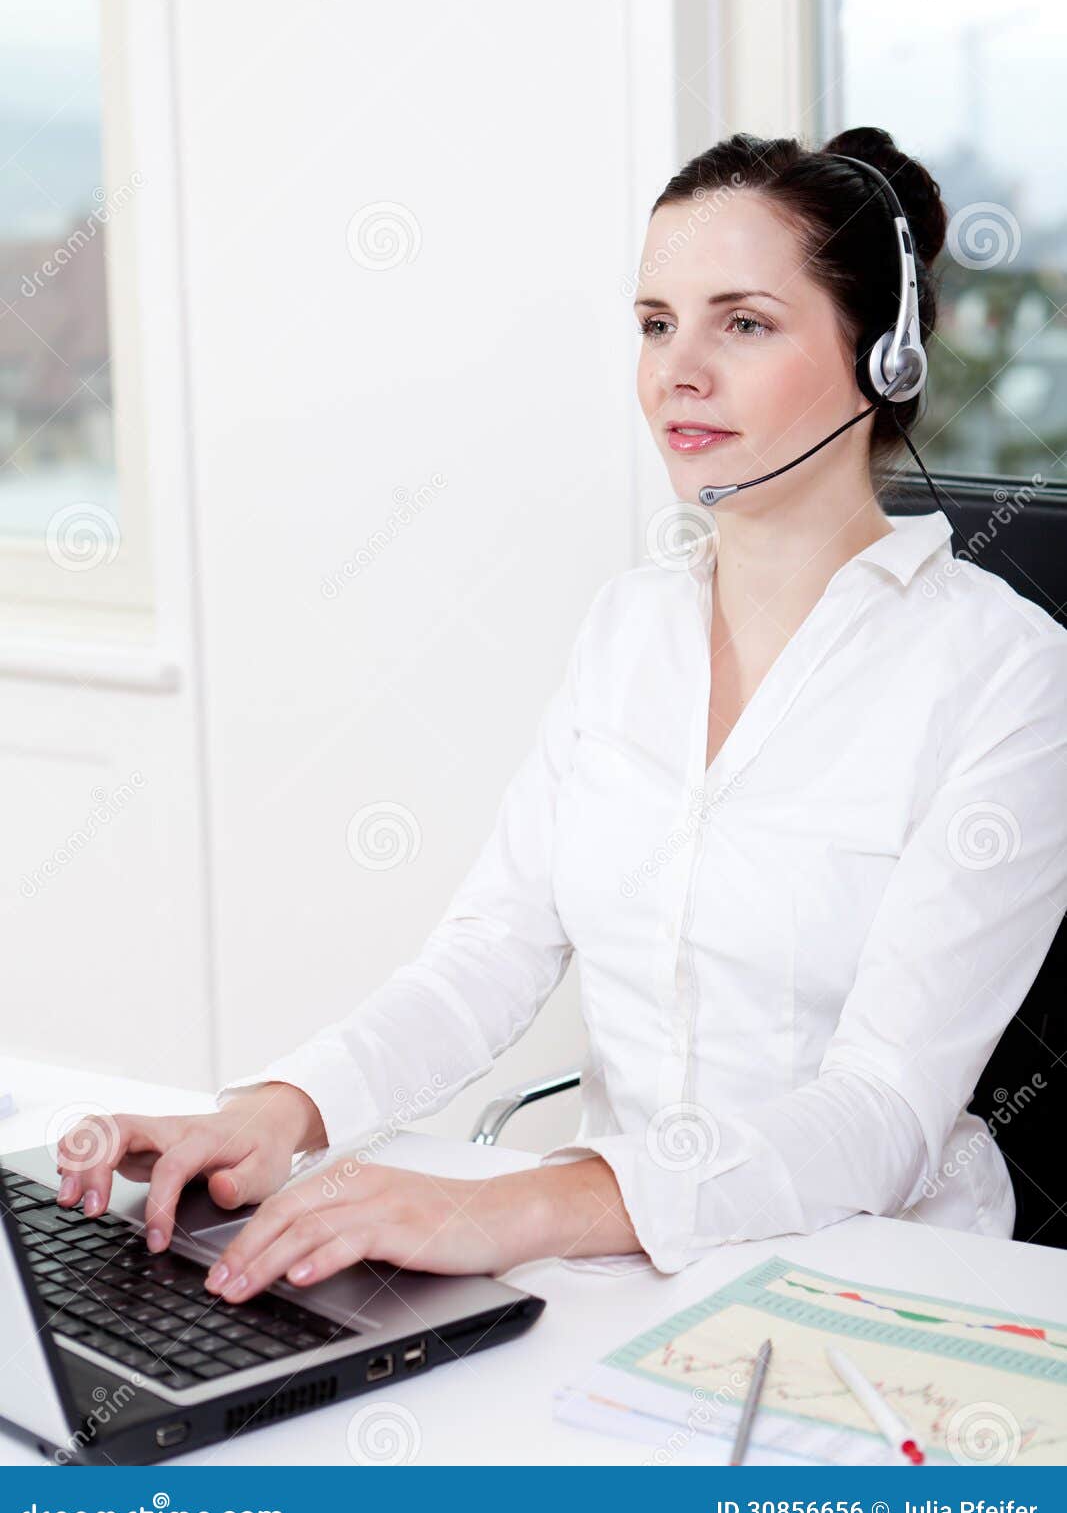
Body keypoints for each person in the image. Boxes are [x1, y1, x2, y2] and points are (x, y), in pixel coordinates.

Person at [57, 126, 1067, 1302]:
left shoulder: (1003, 671)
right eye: (653, 322)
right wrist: (286, 1107)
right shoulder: (625, 630)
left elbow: (882, 1109)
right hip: (612, 1271)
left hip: (873, 1290)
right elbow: (490, 952)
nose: (675, 371)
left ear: (880, 358)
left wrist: (510, 1206)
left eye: (741, 322)